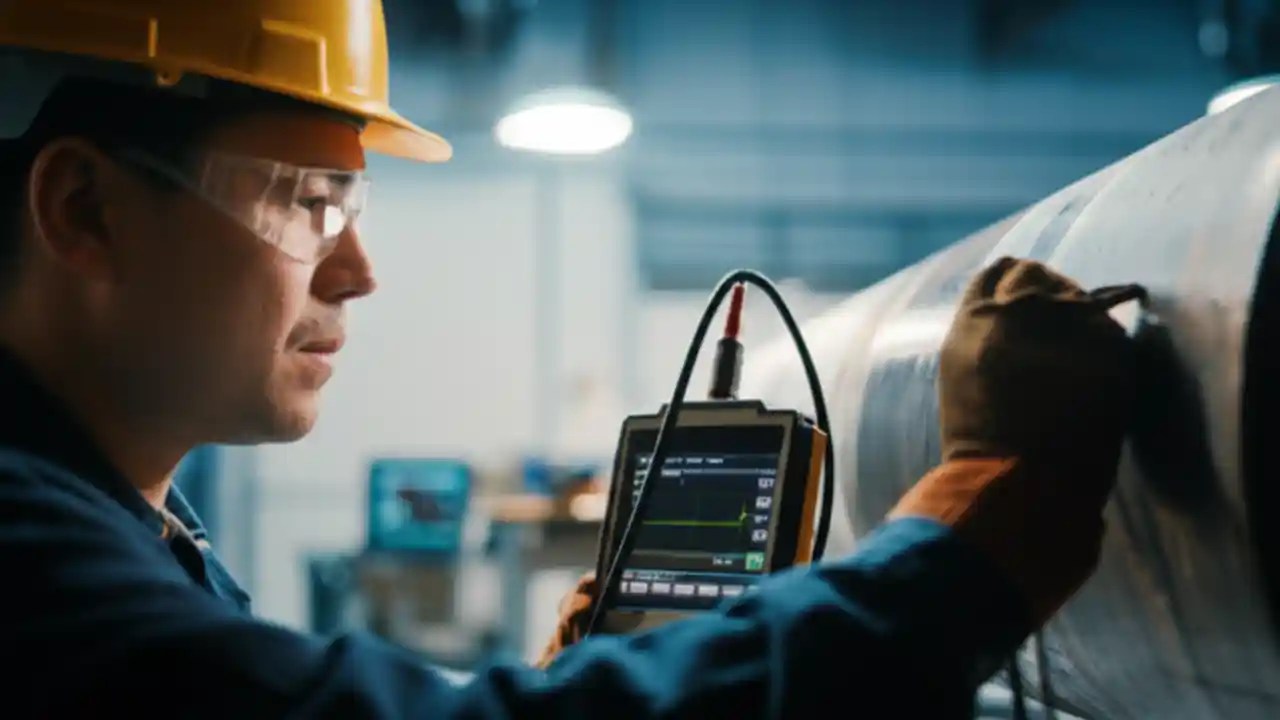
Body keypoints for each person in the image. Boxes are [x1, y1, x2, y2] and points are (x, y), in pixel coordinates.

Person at [0, 1, 1141, 716]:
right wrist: (967, 549)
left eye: (353, 205)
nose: (356, 271)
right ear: (85, 208)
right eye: (307, 201)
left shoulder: (138, 532)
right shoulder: (26, 557)